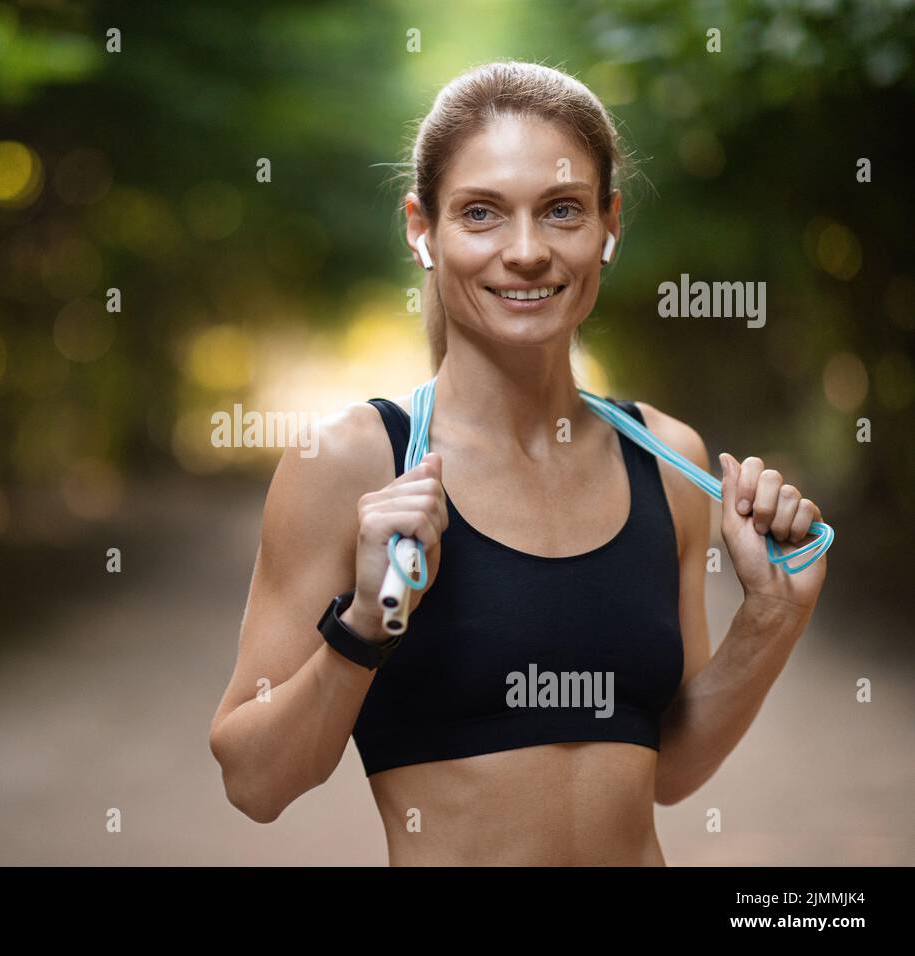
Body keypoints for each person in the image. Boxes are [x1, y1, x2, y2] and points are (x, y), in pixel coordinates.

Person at [208, 61, 828, 865]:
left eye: (562, 210)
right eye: (482, 214)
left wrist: (773, 620)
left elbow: (666, 767)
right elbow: (254, 782)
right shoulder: (355, 461)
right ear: (421, 230)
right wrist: (367, 623)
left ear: (609, 224)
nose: (527, 251)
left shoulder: (670, 461)